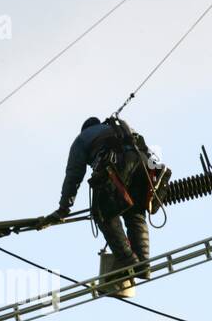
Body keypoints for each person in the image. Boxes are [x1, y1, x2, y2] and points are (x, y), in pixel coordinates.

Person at [46, 116, 155, 280]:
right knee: (134, 212)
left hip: (117, 164)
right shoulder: (118, 129)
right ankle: (144, 265)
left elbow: (73, 176)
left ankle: (129, 262)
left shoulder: (81, 139)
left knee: (103, 214)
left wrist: (64, 208)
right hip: (144, 165)